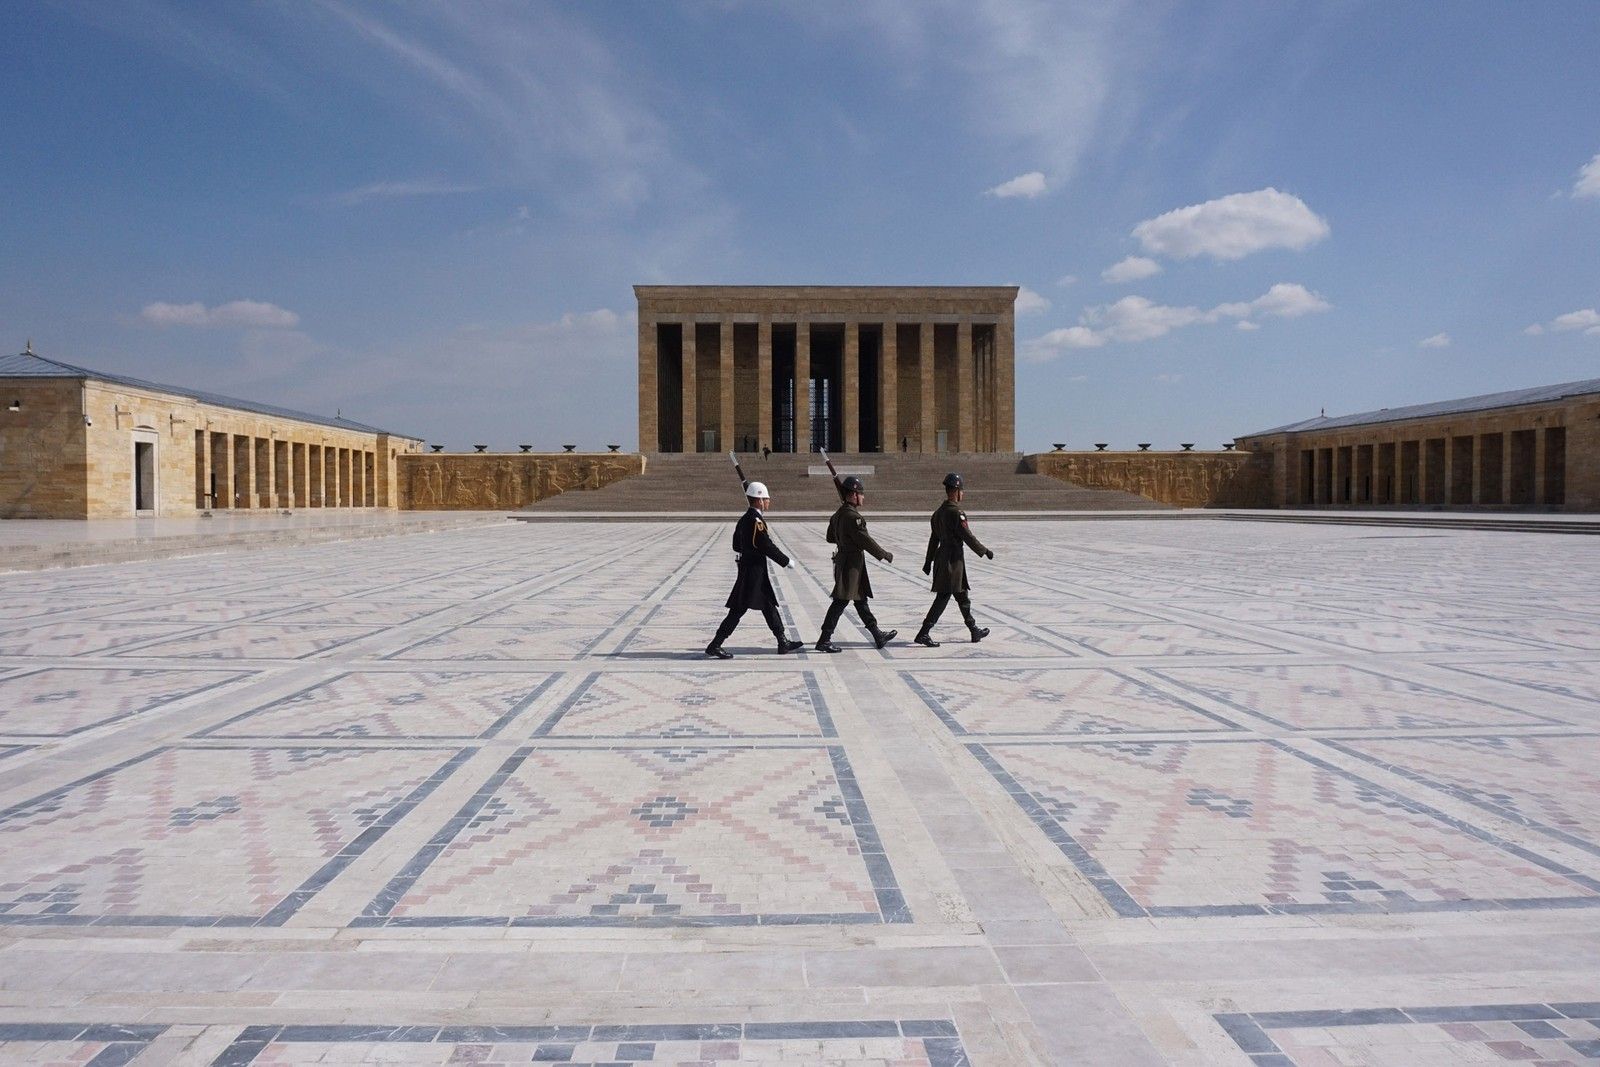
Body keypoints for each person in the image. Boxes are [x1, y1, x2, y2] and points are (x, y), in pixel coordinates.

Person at [705, 480, 804, 658]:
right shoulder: (756, 520)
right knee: (738, 610)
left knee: (768, 606)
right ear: (758, 500)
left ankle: (782, 642)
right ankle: (715, 644)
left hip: (751, 570)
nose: (768, 502)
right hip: (753, 573)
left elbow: (736, 545)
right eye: (766, 499)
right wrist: (785, 560)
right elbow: (765, 544)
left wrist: (749, 550)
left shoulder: (744, 519)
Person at [815, 475, 897, 652]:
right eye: (860, 493)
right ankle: (824, 639)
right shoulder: (853, 517)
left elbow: (830, 537)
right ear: (852, 495)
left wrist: (843, 537)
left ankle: (877, 634)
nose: (863, 497)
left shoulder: (838, 514)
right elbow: (865, 540)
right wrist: (884, 554)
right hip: (851, 564)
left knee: (860, 600)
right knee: (840, 601)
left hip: (845, 561)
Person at [915, 472, 994, 647]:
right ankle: (924, 632)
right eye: (962, 490)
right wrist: (984, 551)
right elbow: (967, 536)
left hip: (943, 558)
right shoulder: (956, 513)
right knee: (943, 597)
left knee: (962, 595)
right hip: (953, 560)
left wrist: (928, 562)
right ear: (956, 491)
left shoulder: (937, 513)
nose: (963, 494)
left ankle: (974, 630)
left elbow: (933, 539)